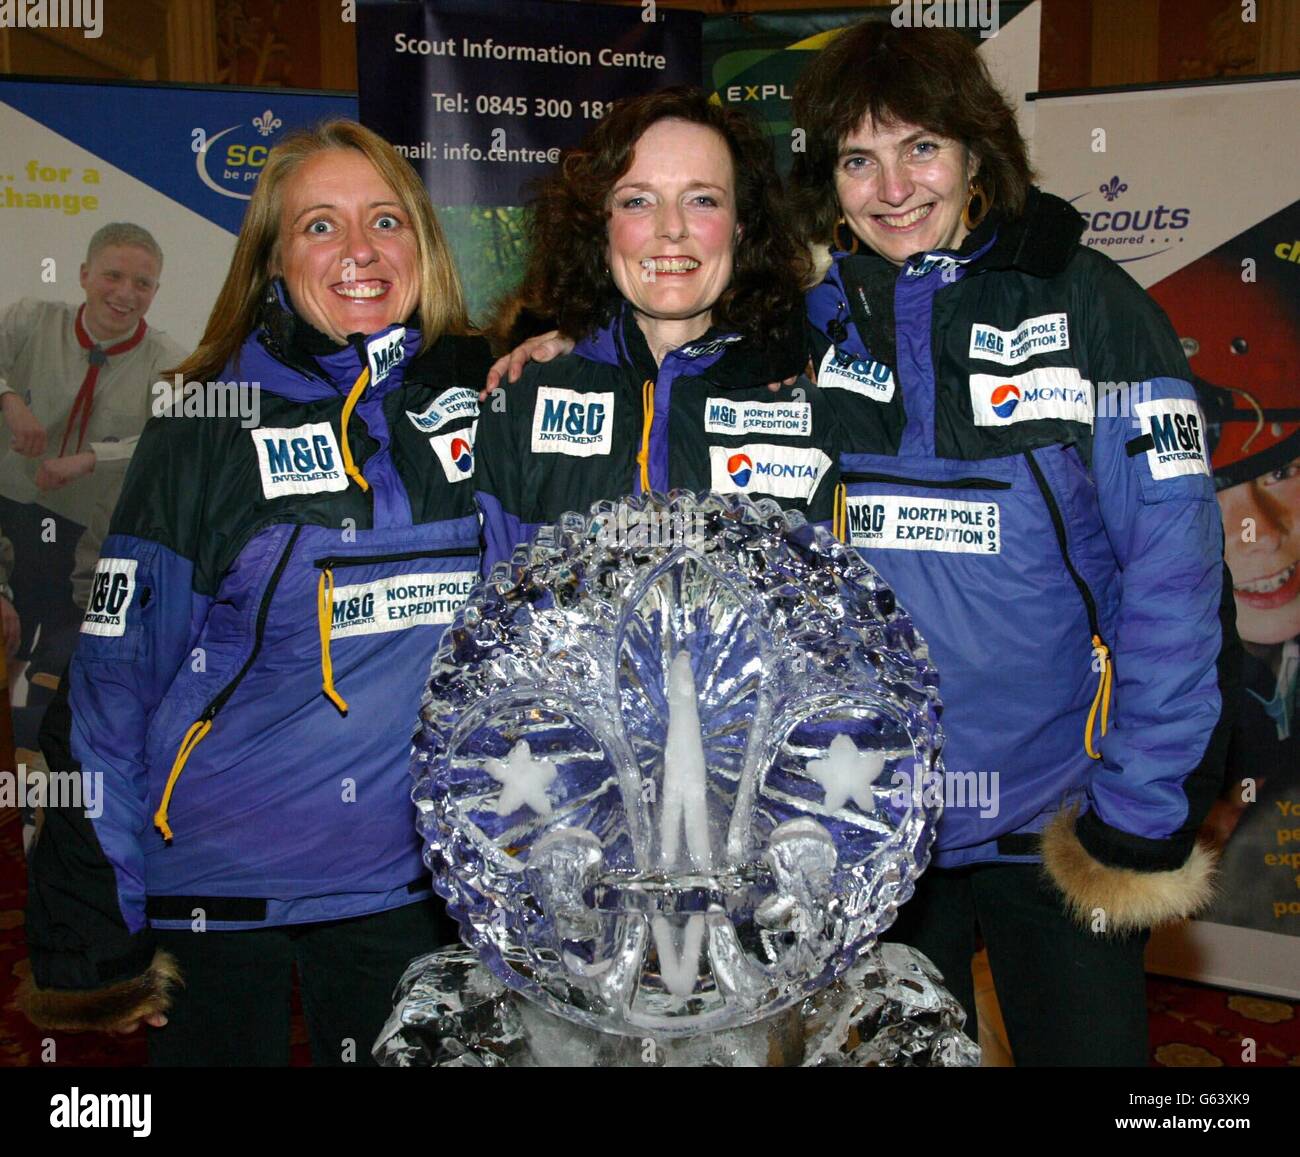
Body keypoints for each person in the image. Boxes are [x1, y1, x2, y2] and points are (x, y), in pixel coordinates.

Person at [492, 27, 1241, 1066]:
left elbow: (1174, 576)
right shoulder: (802, 331)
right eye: (856, 158)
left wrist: (1138, 810)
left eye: (921, 147)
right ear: (825, 183)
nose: (892, 186)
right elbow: (670, 356)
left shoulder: (1092, 308)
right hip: (861, 828)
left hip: (1057, 818)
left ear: (978, 153)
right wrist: (570, 341)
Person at [21, 119, 489, 1066]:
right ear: (272, 260)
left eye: (385, 220)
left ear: (423, 244)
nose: (359, 251)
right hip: (216, 894)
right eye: (320, 226)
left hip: (407, 890)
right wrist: (91, 951)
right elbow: (113, 683)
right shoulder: (205, 422)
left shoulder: (481, 395)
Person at [475, 86, 837, 572]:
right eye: (638, 200)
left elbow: (825, 624)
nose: (672, 227)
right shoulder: (523, 398)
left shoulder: (799, 397)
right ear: (599, 228)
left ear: (740, 227)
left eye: (703, 199)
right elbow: (499, 616)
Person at [0, 225, 185, 708]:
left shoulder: (169, 364)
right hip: (7, 512)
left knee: (52, 673)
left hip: (81, 542)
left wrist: (91, 459)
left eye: (142, 284)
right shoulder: (29, 320)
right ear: (84, 275)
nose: (125, 294)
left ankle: (32, 756)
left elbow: (170, 440)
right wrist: (10, 399)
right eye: (113, 276)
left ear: (156, 292)